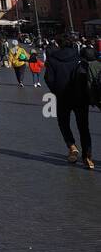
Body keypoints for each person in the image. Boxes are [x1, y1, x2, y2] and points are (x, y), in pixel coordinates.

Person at [44, 34, 92, 169]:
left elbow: (48, 79)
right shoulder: (79, 58)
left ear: (59, 44)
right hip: (81, 97)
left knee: (63, 123)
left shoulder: (53, 59)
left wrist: (57, 91)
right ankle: (88, 157)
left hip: (63, 97)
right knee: (84, 127)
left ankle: (71, 145)